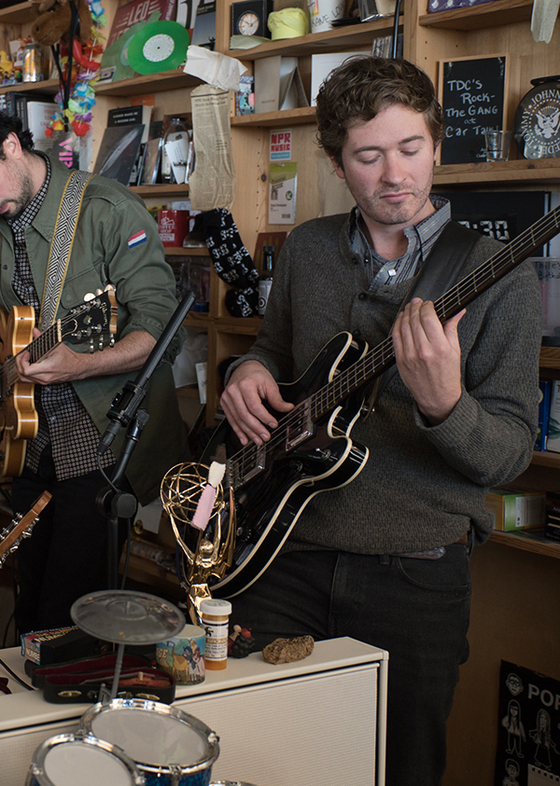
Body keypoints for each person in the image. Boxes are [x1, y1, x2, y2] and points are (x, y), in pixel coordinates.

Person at [217, 57, 539, 786]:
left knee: (400, 769)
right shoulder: (307, 248)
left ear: (436, 145)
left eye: (411, 148)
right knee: (259, 758)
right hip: (280, 554)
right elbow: (273, 350)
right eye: (368, 156)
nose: (395, 175)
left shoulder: (501, 275)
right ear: (337, 164)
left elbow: (507, 456)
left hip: (415, 574)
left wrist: (445, 404)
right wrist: (245, 373)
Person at [0, 102, 189, 635]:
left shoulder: (107, 210)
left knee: (72, 614)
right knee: (30, 605)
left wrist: (82, 365)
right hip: (27, 439)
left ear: (11, 146)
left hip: (102, 438)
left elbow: (163, 329)